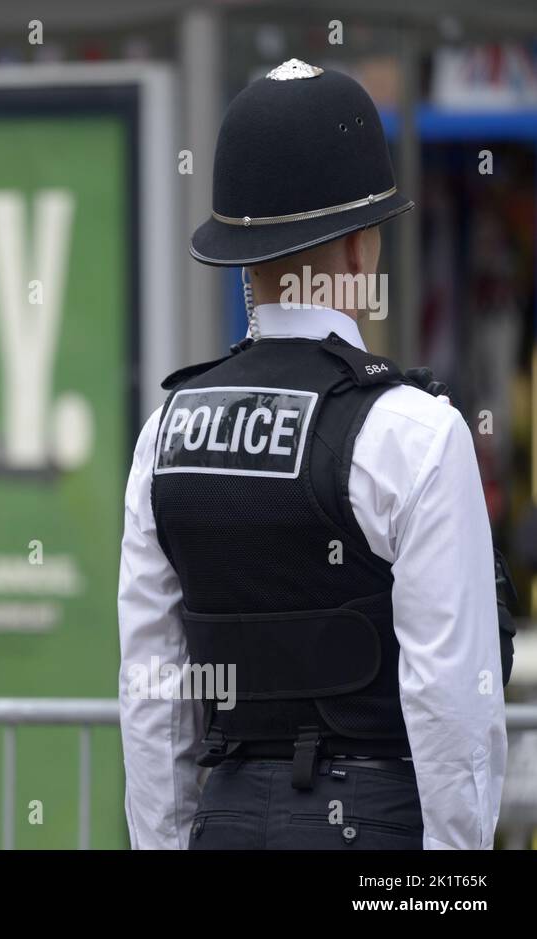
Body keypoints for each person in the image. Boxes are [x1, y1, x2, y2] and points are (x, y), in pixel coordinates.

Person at [118, 61, 508, 849]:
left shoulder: (167, 432)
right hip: (372, 825)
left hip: (221, 820)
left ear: (242, 260)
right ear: (365, 250)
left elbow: (154, 696)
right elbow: (451, 703)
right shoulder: (414, 432)